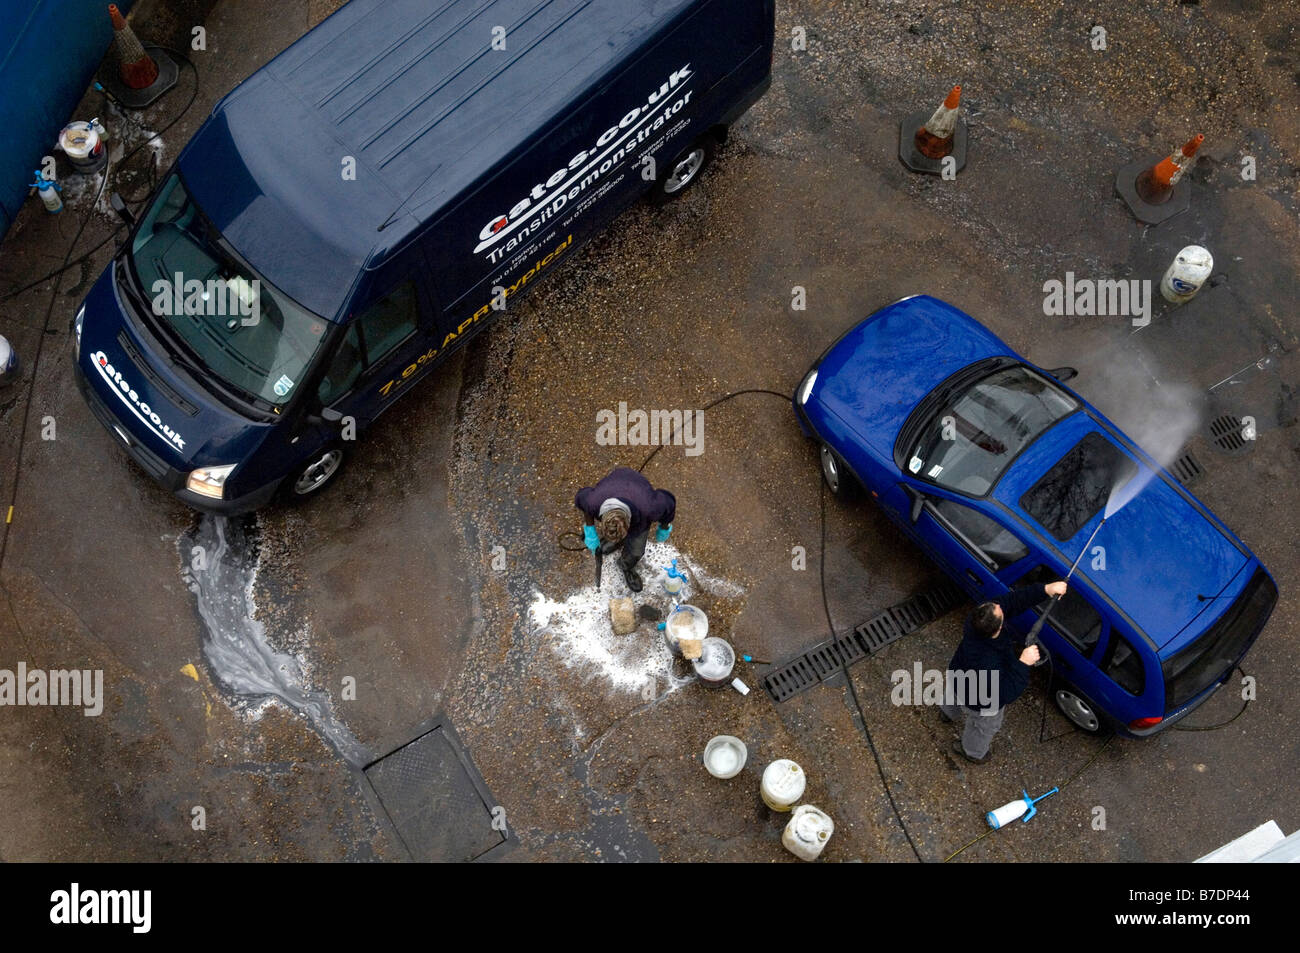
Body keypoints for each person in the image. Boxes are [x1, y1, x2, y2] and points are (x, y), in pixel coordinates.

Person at [939, 579, 1068, 764]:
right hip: (981, 700)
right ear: (999, 628)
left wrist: (1045, 589)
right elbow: (1005, 693)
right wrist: (1023, 663)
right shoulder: (987, 661)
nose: (1000, 605)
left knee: (954, 693)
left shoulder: (978, 619)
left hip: (958, 674)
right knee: (983, 726)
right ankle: (972, 751)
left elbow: (1011, 601)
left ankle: (947, 713)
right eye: (999, 609)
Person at [574, 467, 675, 592]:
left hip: (638, 489)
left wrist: (663, 528)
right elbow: (583, 502)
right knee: (616, 534)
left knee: (636, 551)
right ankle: (617, 539)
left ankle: (626, 565)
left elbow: (669, 503)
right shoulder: (593, 502)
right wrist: (590, 530)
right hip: (616, 481)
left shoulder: (649, 508)